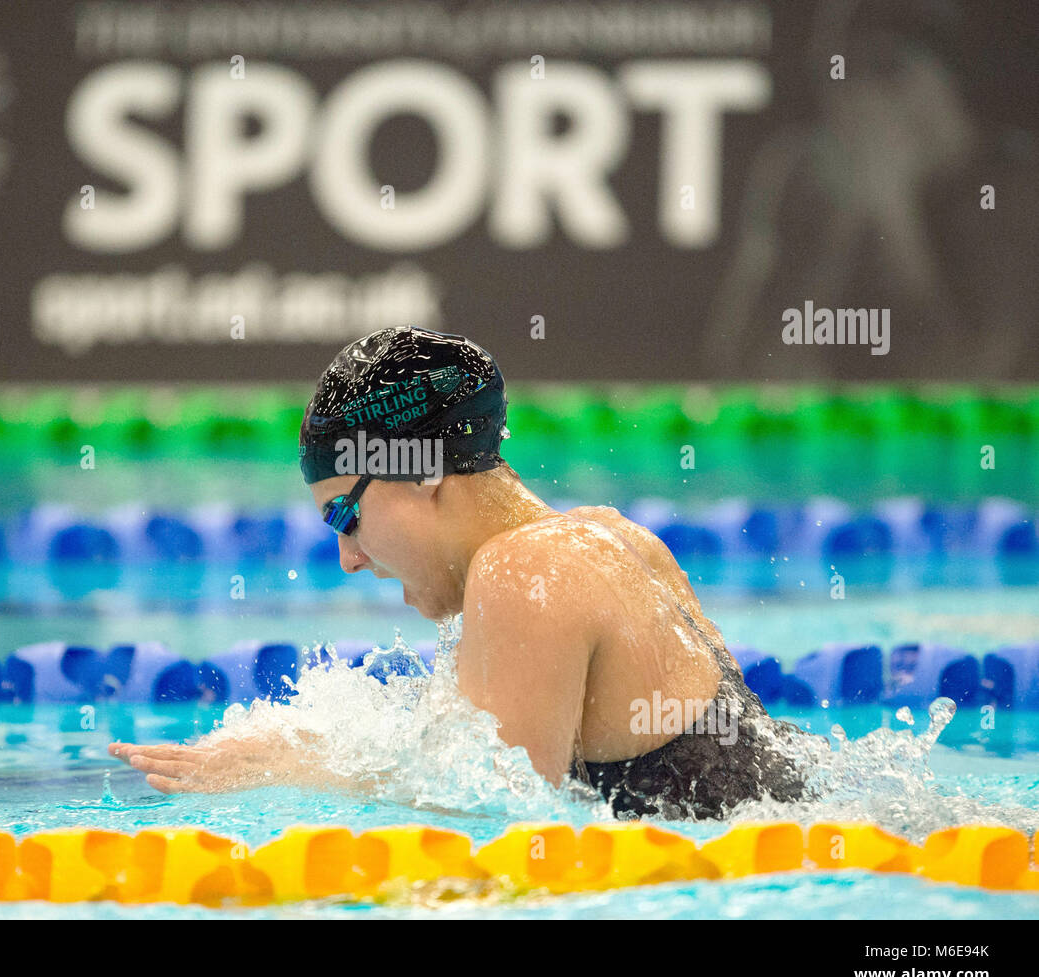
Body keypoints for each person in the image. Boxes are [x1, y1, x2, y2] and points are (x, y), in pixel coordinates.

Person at [111, 326, 814, 818]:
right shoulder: (612, 536)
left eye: (344, 517)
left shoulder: (524, 569)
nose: (348, 559)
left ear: (418, 473)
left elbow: (498, 813)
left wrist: (286, 768)